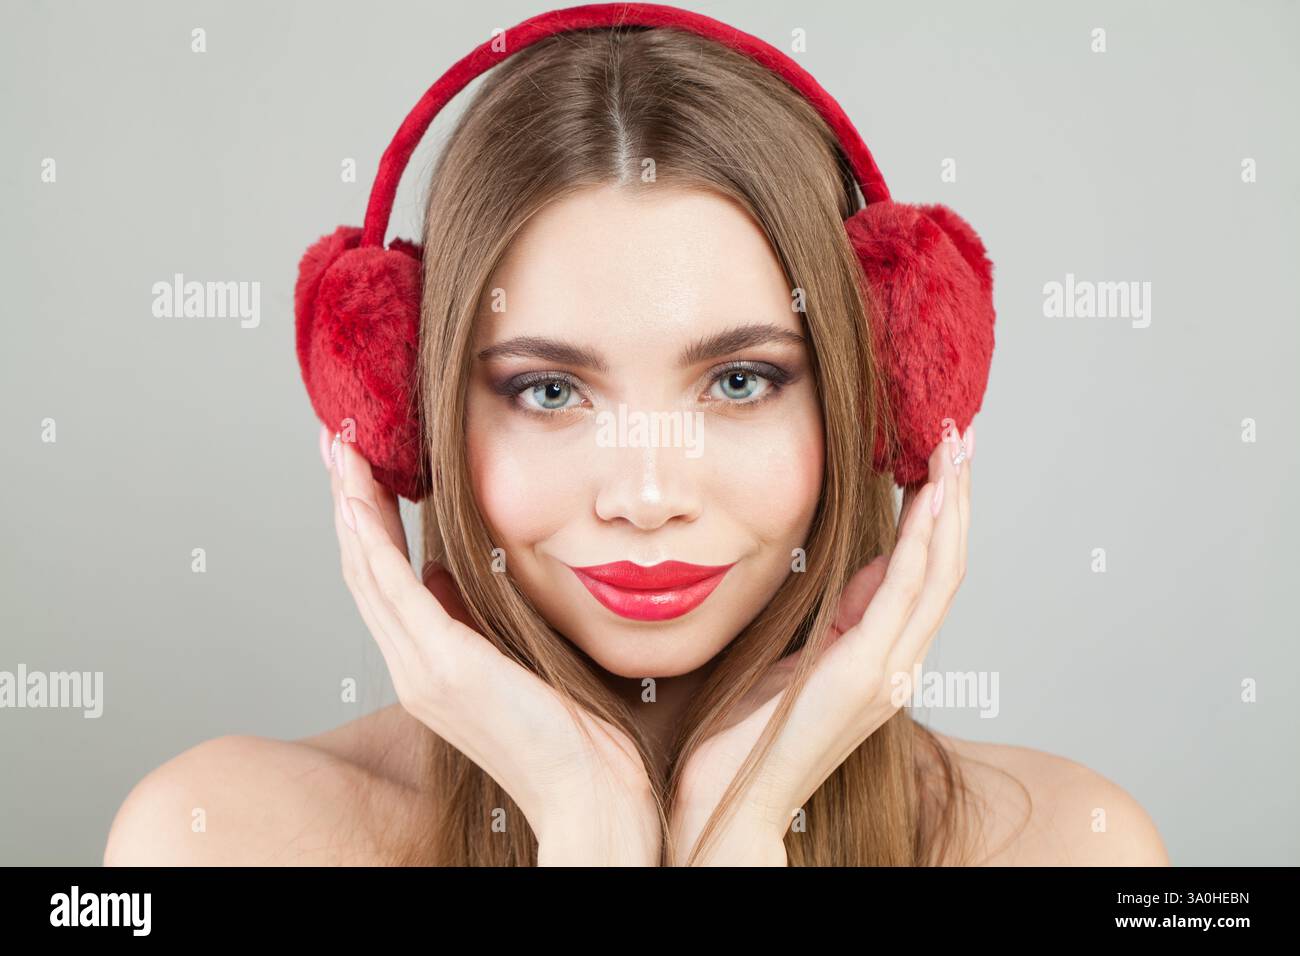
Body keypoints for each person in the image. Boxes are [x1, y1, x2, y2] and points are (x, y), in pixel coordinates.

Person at [104, 24, 1169, 867]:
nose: (648, 493)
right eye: (551, 388)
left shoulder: (1064, 844)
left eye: (740, 380)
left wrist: (742, 829)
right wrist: (584, 827)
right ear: (411, 417)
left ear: (870, 399)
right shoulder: (214, 837)